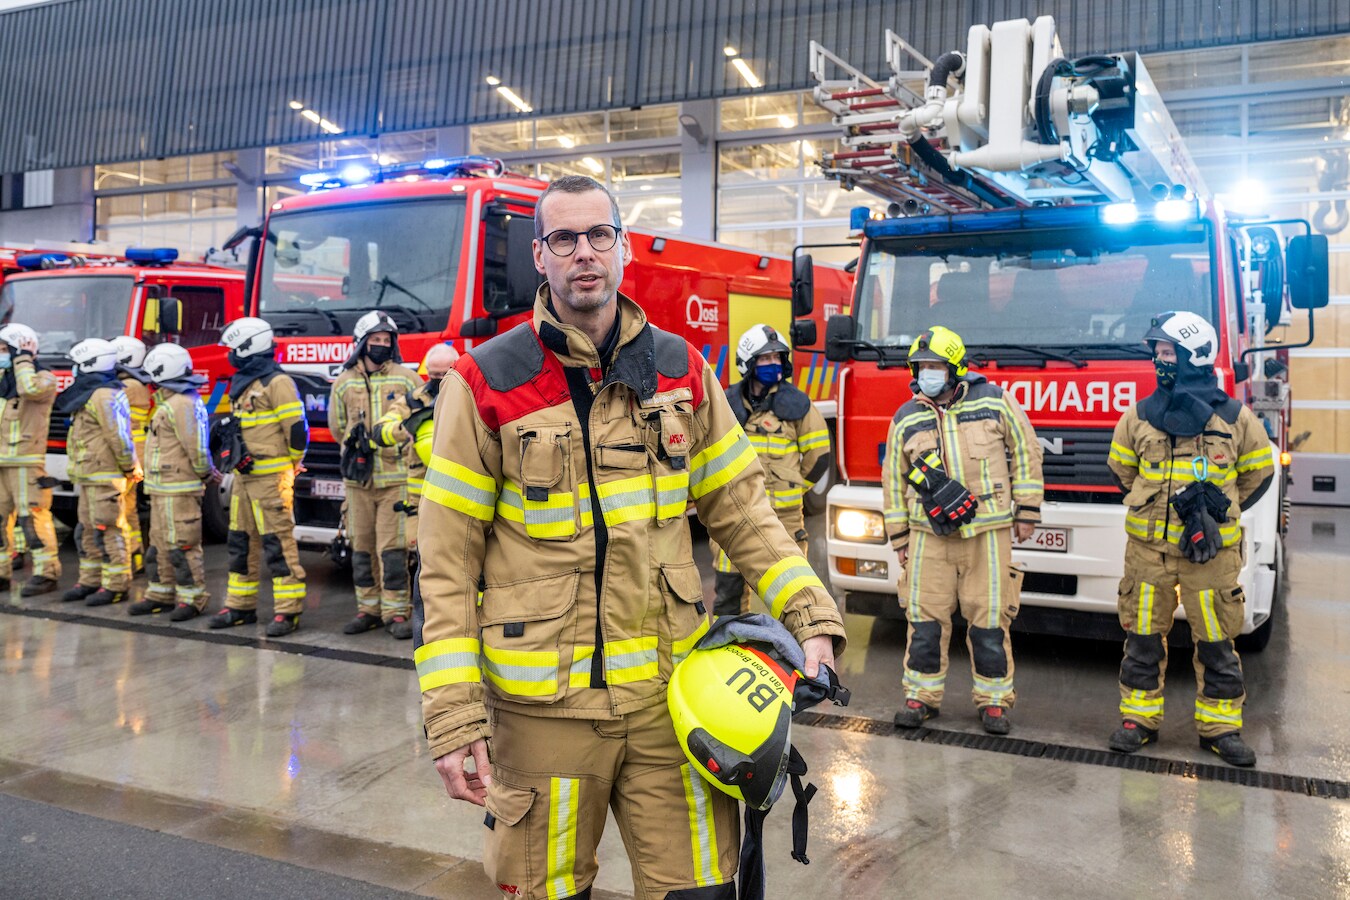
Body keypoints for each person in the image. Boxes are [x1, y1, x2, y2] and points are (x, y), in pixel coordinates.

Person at [416, 175, 845, 900]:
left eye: (599, 236)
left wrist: (813, 619)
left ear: (621, 249)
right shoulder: (485, 382)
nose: (584, 253)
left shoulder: (680, 370)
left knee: (701, 890)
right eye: (564, 239)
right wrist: (454, 715)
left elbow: (746, 513)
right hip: (543, 714)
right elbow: (447, 566)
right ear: (540, 257)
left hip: (669, 705)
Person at [1106, 311, 1274, 767]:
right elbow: (1122, 470)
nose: (1160, 361)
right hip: (1147, 555)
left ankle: (1221, 729)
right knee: (1141, 639)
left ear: (1193, 355)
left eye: (1167, 353)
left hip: (1211, 558)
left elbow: (1259, 471)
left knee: (1218, 643)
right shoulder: (1139, 415)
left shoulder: (1237, 418)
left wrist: (1218, 513)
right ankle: (1137, 722)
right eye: (1158, 353)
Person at [881, 325, 1043, 735]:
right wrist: (899, 538)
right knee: (924, 620)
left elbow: (1026, 451)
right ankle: (920, 697)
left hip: (987, 536)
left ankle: (993, 702)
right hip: (928, 538)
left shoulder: (996, 402)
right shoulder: (905, 417)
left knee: (989, 620)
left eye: (935, 366)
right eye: (920, 367)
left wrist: (1027, 510)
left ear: (954, 368)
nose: (926, 374)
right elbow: (893, 482)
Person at [709, 324, 831, 616]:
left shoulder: (797, 405)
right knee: (728, 601)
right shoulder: (725, 403)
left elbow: (820, 458)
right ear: (748, 363)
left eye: (777, 359)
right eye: (765, 359)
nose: (773, 365)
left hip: (783, 522)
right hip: (732, 519)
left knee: (792, 603)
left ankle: (788, 660)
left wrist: (790, 487)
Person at [208, 317, 309, 636]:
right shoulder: (244, 381)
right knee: (240, 543)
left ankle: (288, 611)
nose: (231, 355)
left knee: (277, 544)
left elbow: (296, 429)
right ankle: (240, 606)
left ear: (250, 347)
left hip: (270, 481)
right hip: (244, 478)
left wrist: (292, 463)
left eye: (235, 349)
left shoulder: (277, 382)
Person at [330, 312, 421, 638]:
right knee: (362, 548)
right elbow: (337, 427)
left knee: (392, 549)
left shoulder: (407, 378)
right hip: (358, 483)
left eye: (386, 341)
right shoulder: (343, 382)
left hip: (394, 480)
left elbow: (418, 422)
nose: (381, 346)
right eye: (376, 340)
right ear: (362, 343)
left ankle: (396, 613)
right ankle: (367, 609)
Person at [129, 343, 218, 619]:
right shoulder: (172, 401)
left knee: (183, 545)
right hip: (161, 489)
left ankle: (193, 599)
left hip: (179, 489)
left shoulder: (183, 403)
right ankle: (160, 594)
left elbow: (196, 447)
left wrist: (206, 473)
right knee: (159, 545)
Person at [57, 338, 141, 606]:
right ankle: (90, 580)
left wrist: (129, 467)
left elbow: (119, 436)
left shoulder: (106, 394)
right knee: (87, 529)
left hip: (105, 475)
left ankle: (117, 584)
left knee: (108, 530)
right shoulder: (92, 392)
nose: (74, 371)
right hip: (89, 474)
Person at [373, 341, 458, 566]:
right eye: (433, 373)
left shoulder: (472, 393)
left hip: (459, 498)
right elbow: (380, 431)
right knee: (423, 564)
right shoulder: (413, 400)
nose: (438, 379)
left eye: (444, 373)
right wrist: (406, 428)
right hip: (420, 502)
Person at [0, 323, 61, 595]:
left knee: (32, 519)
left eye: (4, 349)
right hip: (2, 461)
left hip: (26, 460)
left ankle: (46, 574)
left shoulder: (43, 378)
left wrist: (22, 359)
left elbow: (29, 390)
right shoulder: (4, 379)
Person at [111, 336, 151, 568]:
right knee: (129, 506)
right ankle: (135, 554)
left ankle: (127, 557)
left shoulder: (128, 386)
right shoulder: (136, 384)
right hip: (135, 453)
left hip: (127, 455)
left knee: (120, 509)